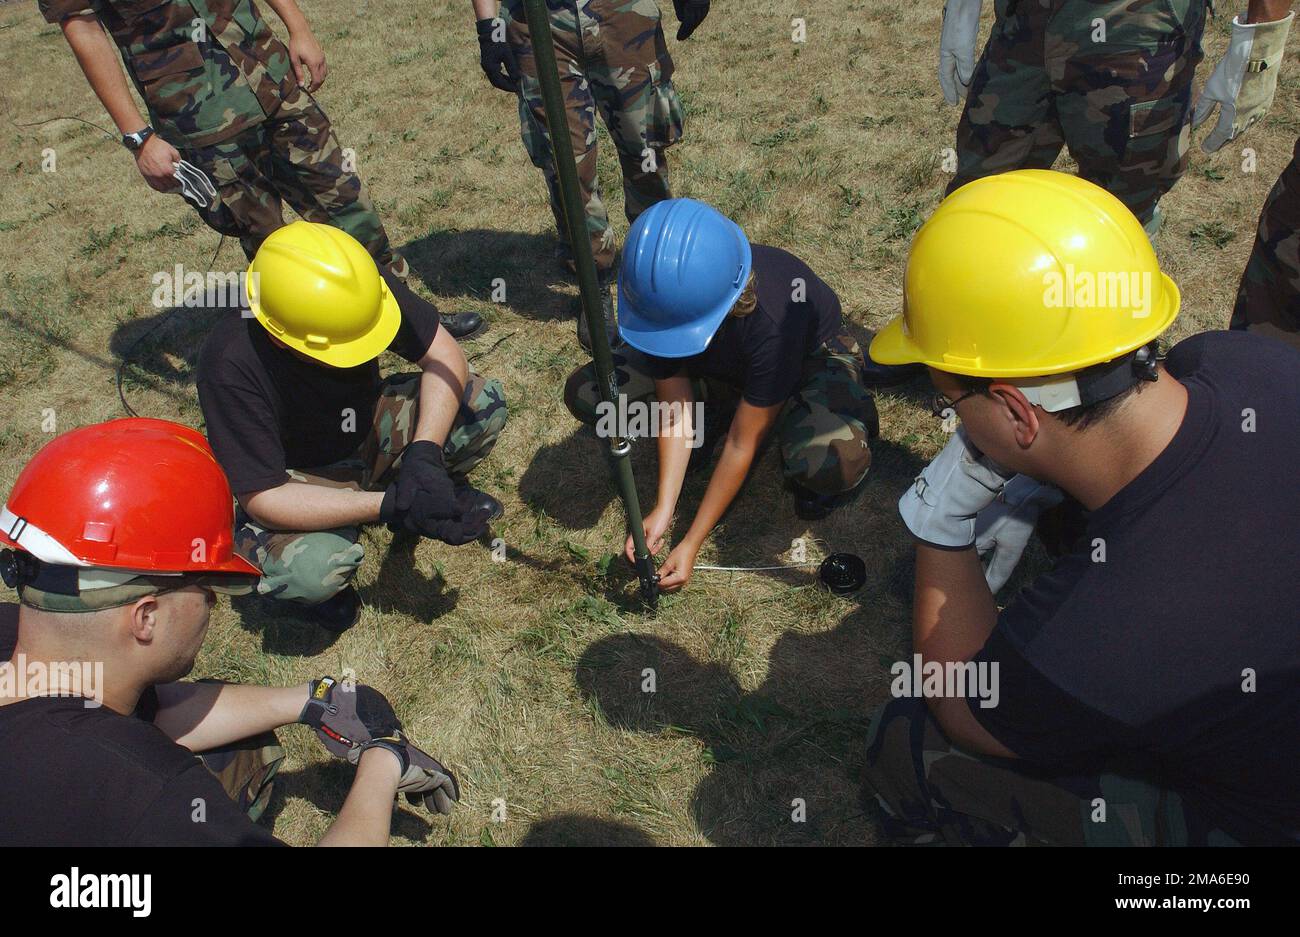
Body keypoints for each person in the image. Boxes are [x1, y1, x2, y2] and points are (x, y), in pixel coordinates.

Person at [861, 169, 1300, 845]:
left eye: (951, 403)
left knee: (912, 747)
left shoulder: (1096, 628)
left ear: (1014, 410)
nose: (953, 419)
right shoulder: (1240, 360)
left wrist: (942, 524)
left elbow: (966, 710)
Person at [0, 418, 459, 846]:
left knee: (237, 747)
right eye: (207, 587)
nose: (214, 604)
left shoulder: (21, 643)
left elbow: (144, 712)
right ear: (145, 618)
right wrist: (383, 760)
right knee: (234, 764)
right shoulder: (143, 794)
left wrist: (313, 699)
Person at [853, 0, 1297, 389]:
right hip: (1026, 19)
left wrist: (1262, 35)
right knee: (977, 196)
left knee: (1120, 214)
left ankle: (1105, 378)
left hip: (1136, 24)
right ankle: (950, 344)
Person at [40, 0, 481, 337]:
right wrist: (137, 137)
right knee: (271, 244)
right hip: (197, 112)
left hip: (270, 78)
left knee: (346, 204)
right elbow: (82, 26)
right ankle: (318, 355)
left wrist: (299, 28)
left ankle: (414, 324)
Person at [196, 221, 508, 631]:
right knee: (310, 573)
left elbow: (445, 357)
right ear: (280, 336)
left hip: (366, 431)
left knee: (480, 404)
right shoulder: (228, 363)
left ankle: (427, 485)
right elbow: (264, 495)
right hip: (299, 481)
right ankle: (377, 513)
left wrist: (424, 454)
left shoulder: (355, 288)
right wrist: (390, 507)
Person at [565, 198, 878, 592]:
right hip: (729, 363)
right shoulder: (662, 301)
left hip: (809, 360)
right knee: (591, 393)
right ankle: (726, 403)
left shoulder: (775, 323)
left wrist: (692, 541)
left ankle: (783, 414)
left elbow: (741, 443)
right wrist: (664, 509)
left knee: (832, 460)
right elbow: (673, 407)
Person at [471, 0, 708, 349]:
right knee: (567, 164)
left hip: (622, 12)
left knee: (645, 146)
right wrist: (488, 29)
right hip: (539, 24)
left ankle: (660, 267)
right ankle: (593, 280)